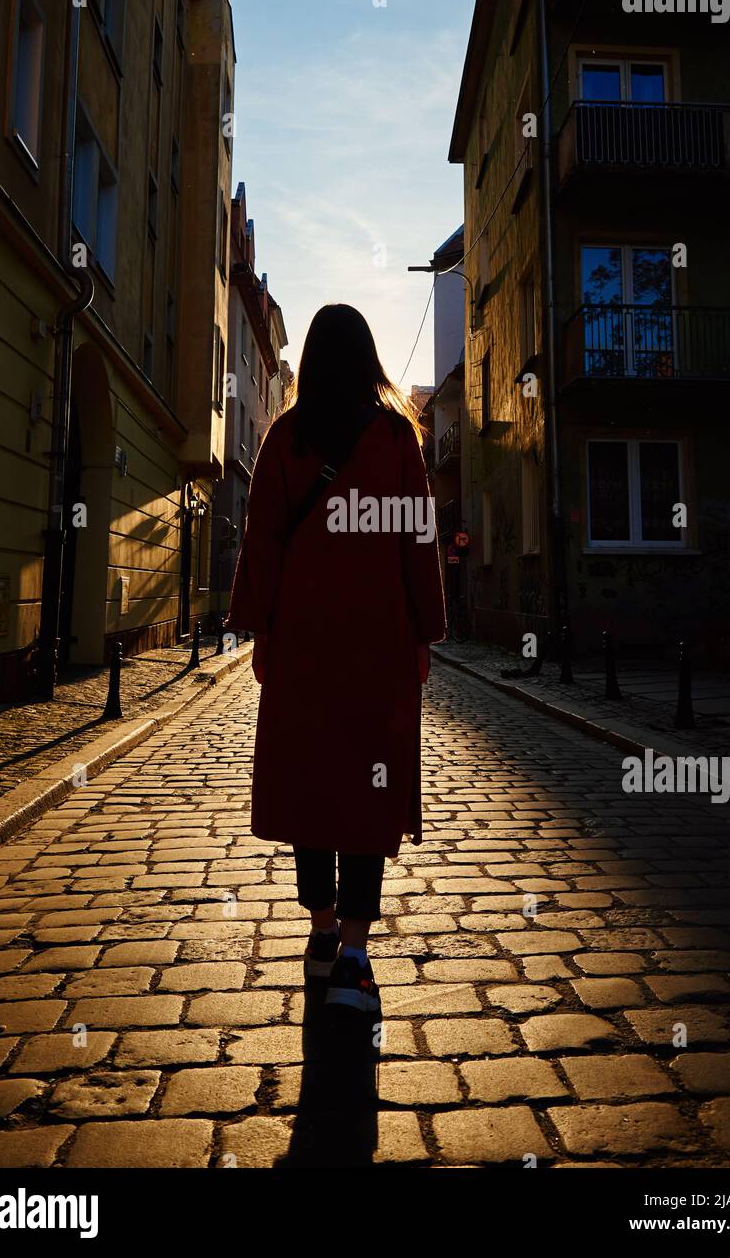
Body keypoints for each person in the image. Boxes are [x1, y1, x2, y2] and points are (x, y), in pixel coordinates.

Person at [226, 304, 446, 1014]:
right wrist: (423, 634)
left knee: (310, 789)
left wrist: (259, 632)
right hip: (377, 647)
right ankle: (354, 952)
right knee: (365, 793)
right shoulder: (395, 439)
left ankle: (320, 935)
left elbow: (261, 541)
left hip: (302, 645)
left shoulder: (285, 438)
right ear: (368, 359)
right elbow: (417, 541)